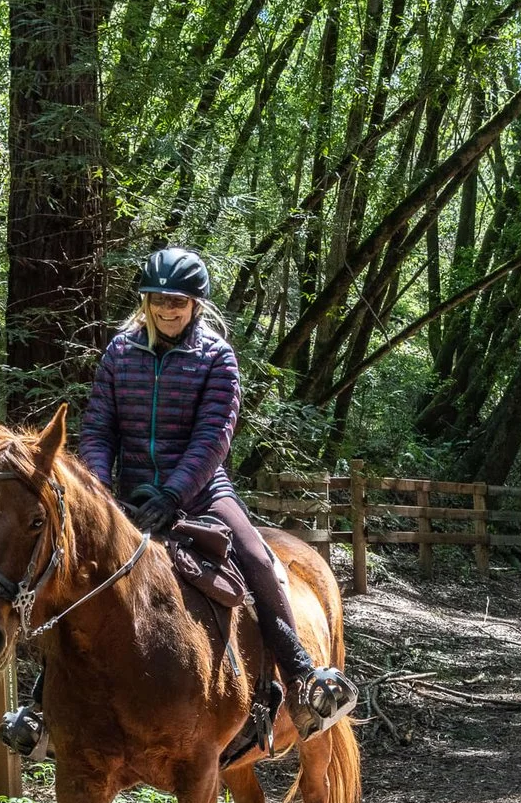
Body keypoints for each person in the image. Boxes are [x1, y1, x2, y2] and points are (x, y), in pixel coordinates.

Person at [77, 247, 354, 736]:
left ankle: (299, 675)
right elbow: (98, 428)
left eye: (178, 302)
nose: (167, 309)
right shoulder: (119, 353)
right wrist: (98, 490)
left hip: (203, 493)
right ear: (145, 301)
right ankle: (42, 705)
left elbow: (214, 437)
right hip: (128, 496)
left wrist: (175, 494)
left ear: (196, 306)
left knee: (258, 558)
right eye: (159, 299)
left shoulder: (216, 357)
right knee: (68, 563)